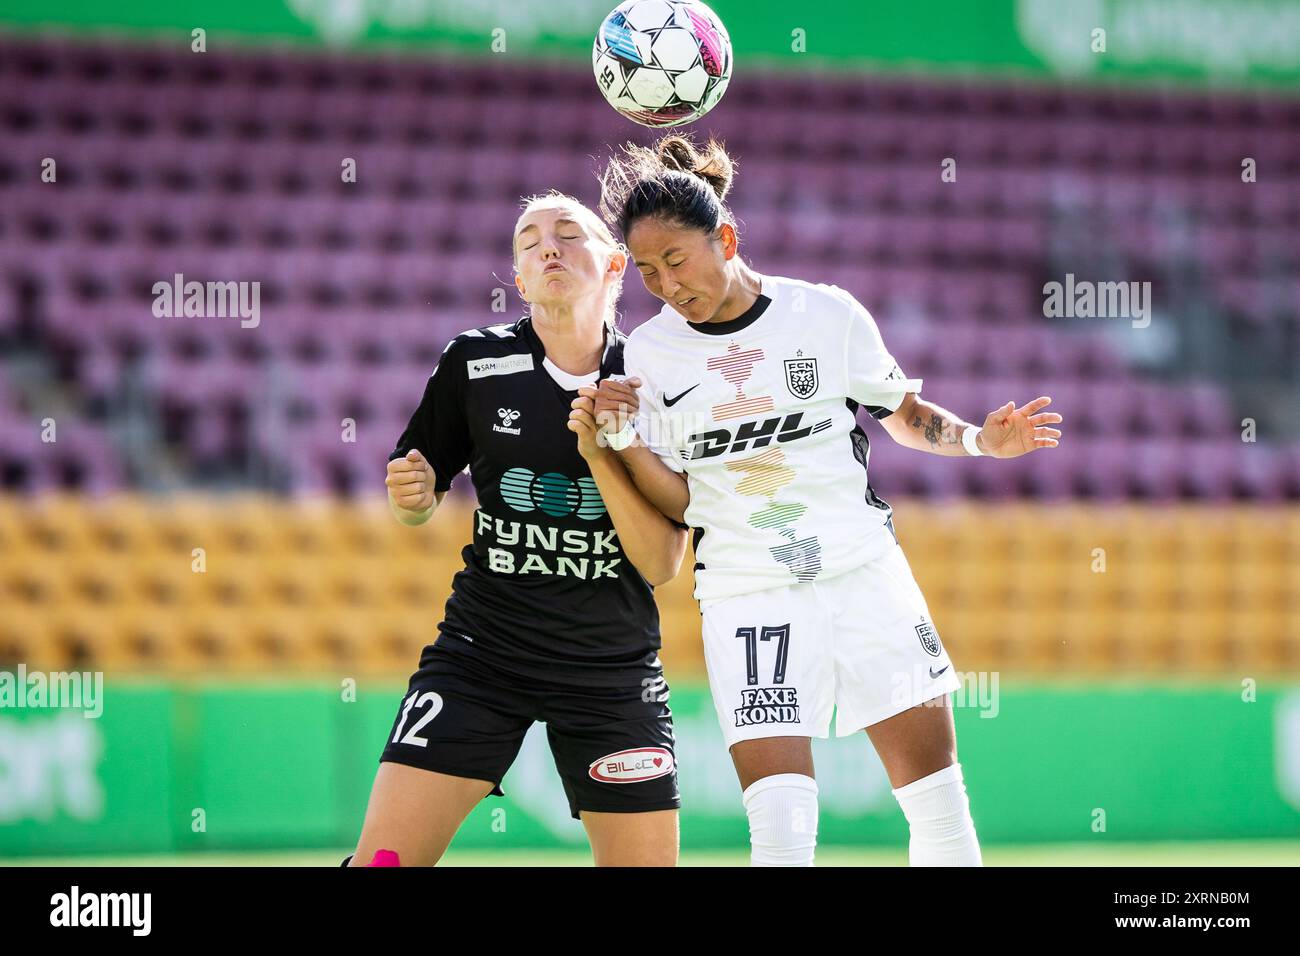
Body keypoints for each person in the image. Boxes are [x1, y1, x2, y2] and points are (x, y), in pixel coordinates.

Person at [586, 134, 1064, 866]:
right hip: (749, 595)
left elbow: (903, 416)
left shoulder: (825, 315)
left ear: (727, 238)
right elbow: (681, 502)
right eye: (647, 271)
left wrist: (978, 442)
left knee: (938, 809)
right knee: (780, 837)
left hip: (864, 576)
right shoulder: (649, 356)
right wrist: (620, 438)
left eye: (676, 260)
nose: (666, 285)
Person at [346, 191, 690, 867]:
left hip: (609, 669)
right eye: (529, 243)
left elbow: (662, 563)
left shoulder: (657, 380)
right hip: (482, 655)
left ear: (616, 265)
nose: (548, 247)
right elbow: (418, 492)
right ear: (520, 279)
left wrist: (604, 451)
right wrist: (412, 497)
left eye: (568, 233)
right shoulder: (472, 364)